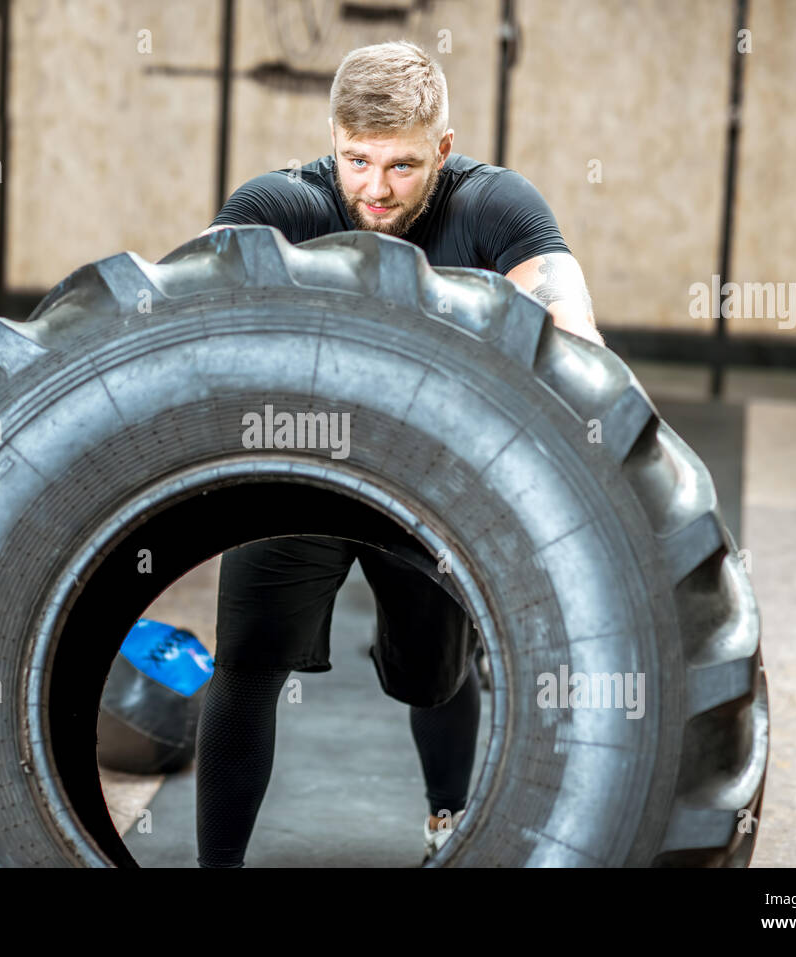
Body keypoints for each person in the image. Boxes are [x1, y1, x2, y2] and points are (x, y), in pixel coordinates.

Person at [194, 39, 604, 868]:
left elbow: (581, 349)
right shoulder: (282, 204)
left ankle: (447, 823)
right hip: (295, 474)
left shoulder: (495, 208)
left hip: (430, 484)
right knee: (247, 662)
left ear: (443, 150)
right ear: (332, 141)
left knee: (437, 676)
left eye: (404, 167)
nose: (376, 190)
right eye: (358, 161)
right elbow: (191, 335)